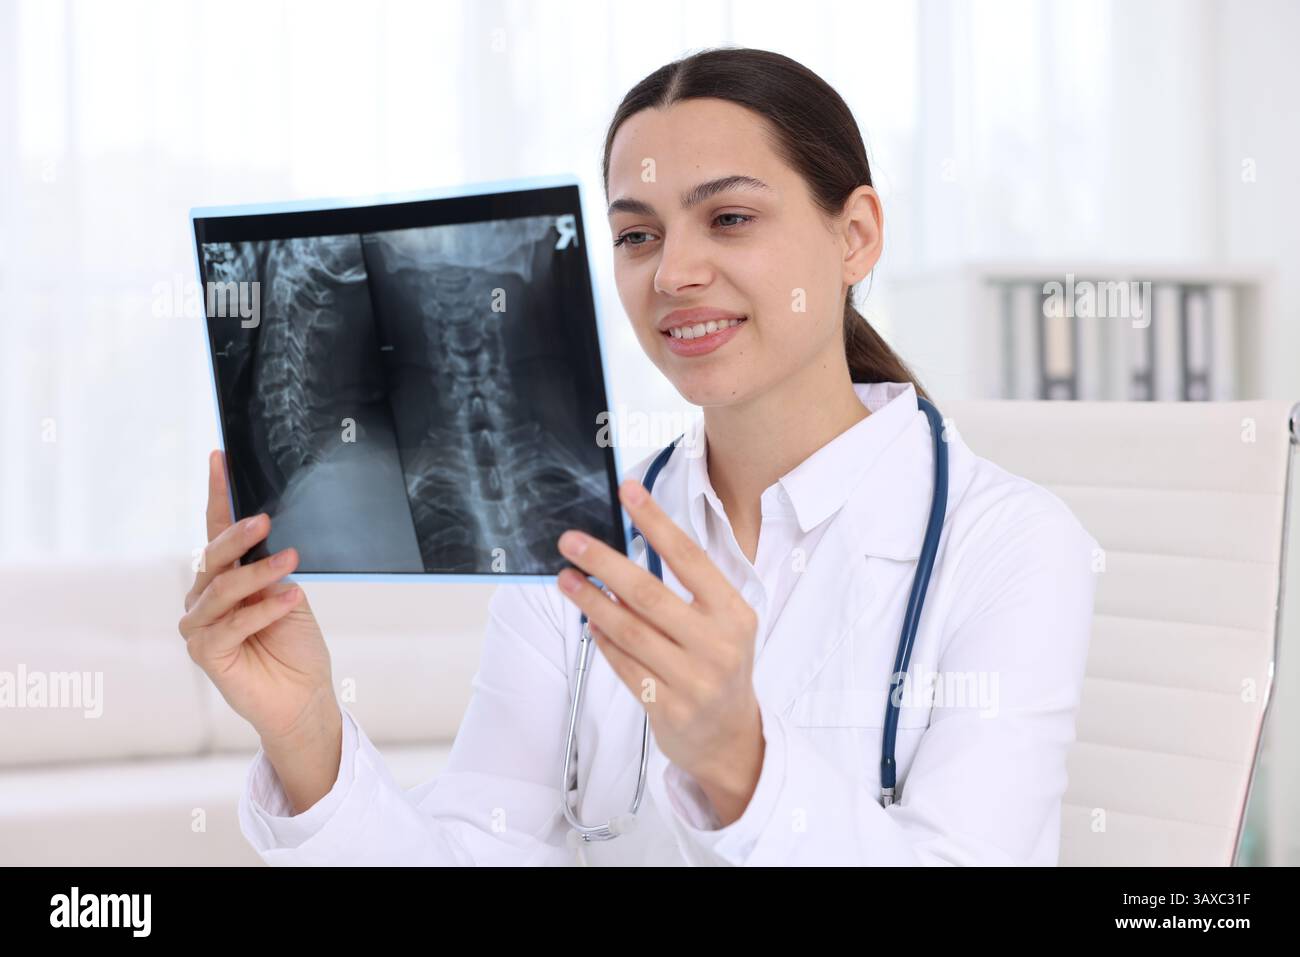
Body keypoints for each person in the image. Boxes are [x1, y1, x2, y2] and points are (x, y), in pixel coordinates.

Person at [178, 47, 1098, 866]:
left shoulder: (1010, 546)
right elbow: (483, 844)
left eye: (730, 218)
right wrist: (307, 736)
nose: (672, 273)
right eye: (637, 234)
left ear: (854, 235)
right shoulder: (580, 548)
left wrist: (741, 763)